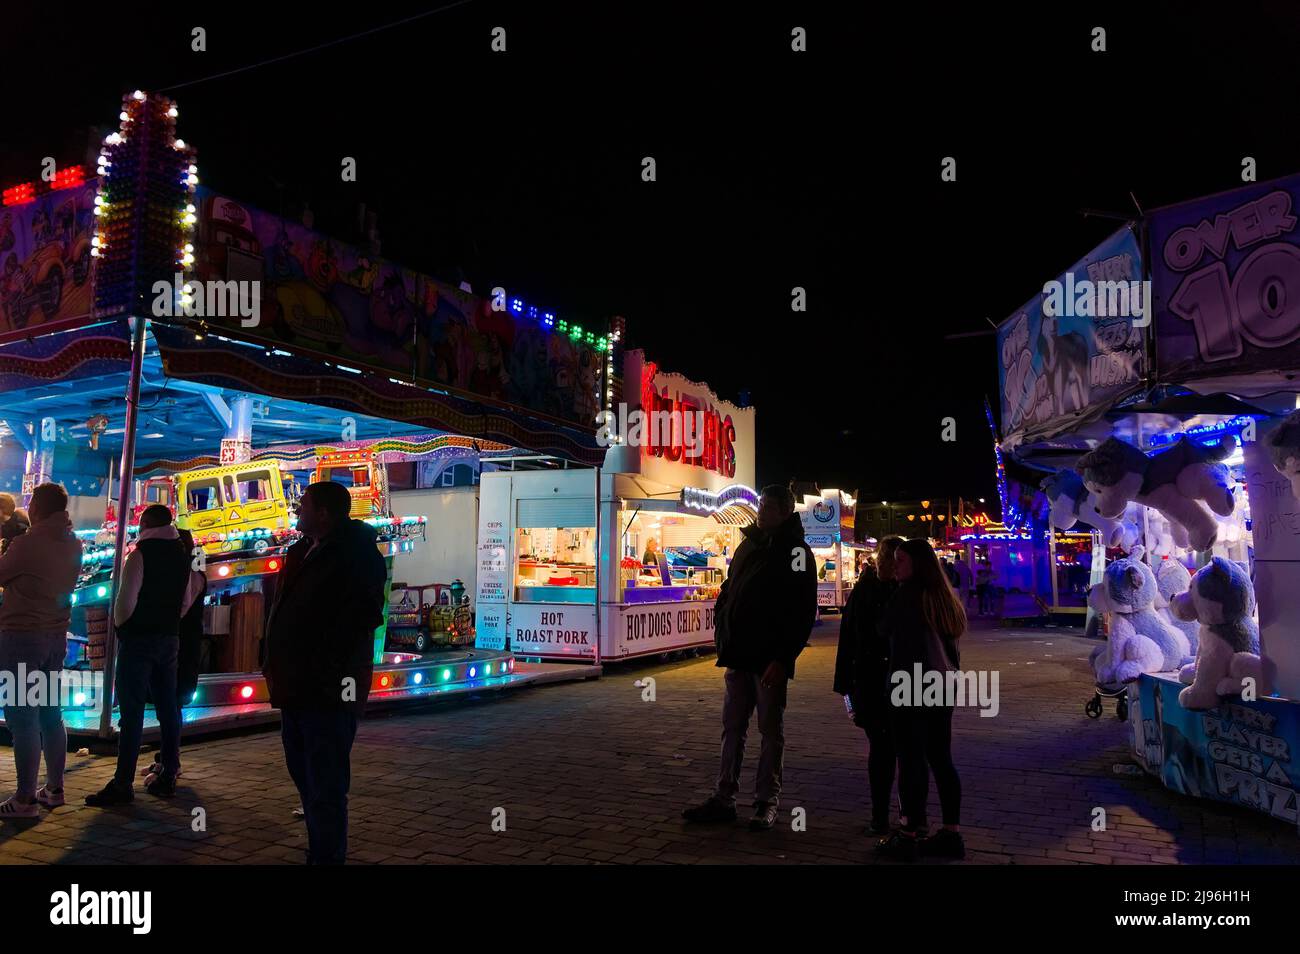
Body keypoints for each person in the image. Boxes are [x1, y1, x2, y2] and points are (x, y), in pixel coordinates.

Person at [263, 481, 387, 864]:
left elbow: (363, 615)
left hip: (330, 685)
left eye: (304, 505)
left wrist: (327, 660)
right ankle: (320, 841)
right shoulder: (303, 551)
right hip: (296, 682)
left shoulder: (356, 554)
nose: (297, 510)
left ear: (324, 513)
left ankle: (327, 853)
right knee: (302, 766)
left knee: (326, 774)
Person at [682, 484, 817, 831]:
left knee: (770, 731)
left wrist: (783, 658)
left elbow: (802, 612)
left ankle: (766, 802)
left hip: (768, 659)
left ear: (786, 511)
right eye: (762, 506)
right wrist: (722, 623)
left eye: (770, 507)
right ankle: (723, 797)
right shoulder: (749, 544)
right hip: (738, 654)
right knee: (732, 728)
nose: (762, 512)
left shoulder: (797, 552)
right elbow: (730, 586)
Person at [86, 504, 201, 805]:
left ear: (146, 523)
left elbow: (125, 603)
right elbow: (186, 599)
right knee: (168, 706)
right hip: (169, 638)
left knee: (132, 711)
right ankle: (169, 771)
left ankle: (123, 782)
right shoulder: (181, 554)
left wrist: (122, 627)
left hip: (139, 640)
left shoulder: (139, 554)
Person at [876, 537, 967, 861]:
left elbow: (883, 629)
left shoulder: (906, 595)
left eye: (900, 560)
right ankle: (951, 832)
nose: (895, 565)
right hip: (941, 687)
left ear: (917, 564)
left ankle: (909, 833)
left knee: (911, 760)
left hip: (909, 686)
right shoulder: (943, 597)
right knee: (941, 759)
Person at [0, 483, 82, 816]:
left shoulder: (28, 543)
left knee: (22, 720)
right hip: (55, 637)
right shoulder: (73, 543)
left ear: (38, 508)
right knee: (50, 715)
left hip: (22, 638)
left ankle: (24, 800)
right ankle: (54, 788)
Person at [833, 535, 905, 835]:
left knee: (896, 751)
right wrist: (846, 684)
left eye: (894, 558)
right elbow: (850, 639)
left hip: (894, 680)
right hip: (877, 682)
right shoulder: (870, 592)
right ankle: (887, 814)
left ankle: (899, 816)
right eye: (887, 558)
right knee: (887, 749)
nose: (888, 563)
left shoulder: (902, 590)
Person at [140, 526, 207, 785]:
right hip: (180, 643)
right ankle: (166, 757)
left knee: (172, 704)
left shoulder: (192, 575)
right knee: (168, 705)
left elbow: (182, 608)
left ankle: (171, 762)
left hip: (182, 645)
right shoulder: (191, 571)